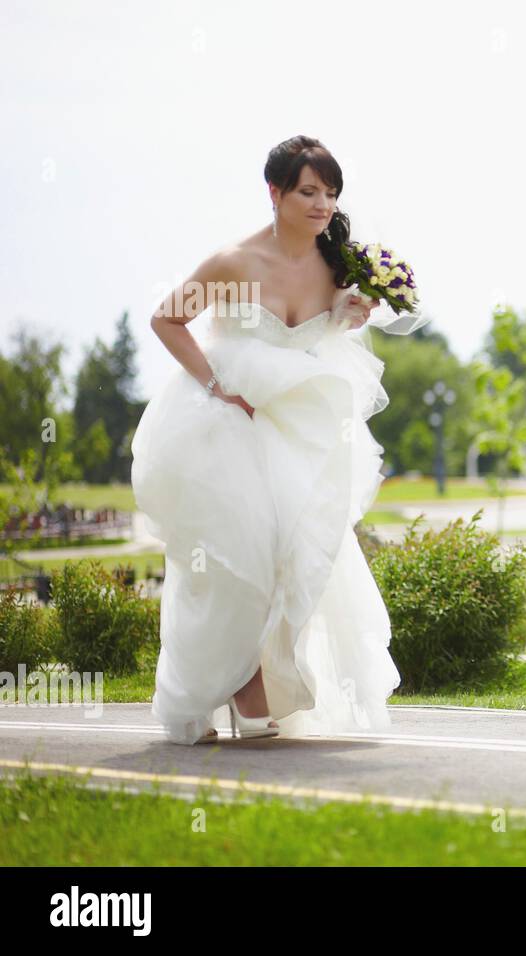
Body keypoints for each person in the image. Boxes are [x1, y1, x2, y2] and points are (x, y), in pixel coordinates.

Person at [131, 135, 427, 744]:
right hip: (221, 422)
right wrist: (215, 385)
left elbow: (317, 342)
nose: (323, 204)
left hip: (294, 428)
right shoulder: (233, 262)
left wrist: (349, 313)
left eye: (331, 193)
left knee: (297, 557)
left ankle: (261, 685)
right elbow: (166, 319)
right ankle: (216, 692)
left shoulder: (335, 266)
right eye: (308, 191)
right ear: (276, 192)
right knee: (231, 563)